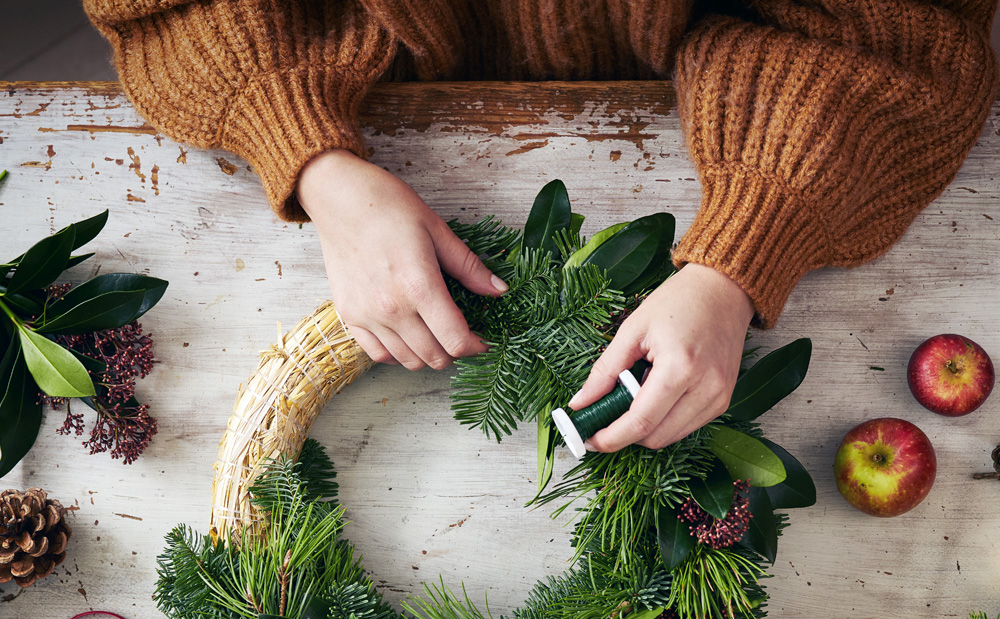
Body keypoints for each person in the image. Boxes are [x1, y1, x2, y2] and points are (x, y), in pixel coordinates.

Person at [83, 0, 998, 452]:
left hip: (716, 114)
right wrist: (308, 155)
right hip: (371, 114)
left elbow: (901, 31)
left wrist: (748, 244)